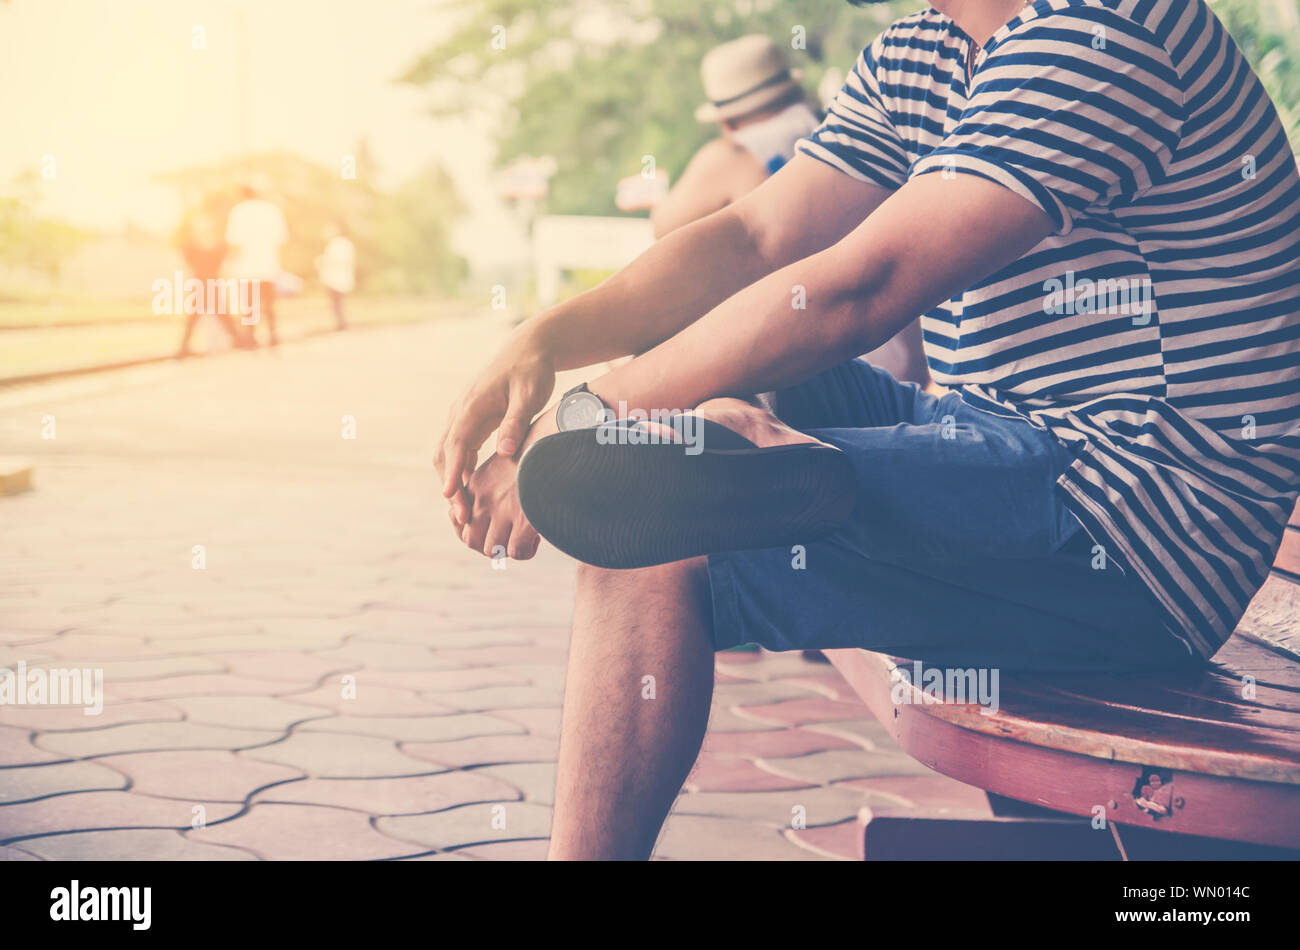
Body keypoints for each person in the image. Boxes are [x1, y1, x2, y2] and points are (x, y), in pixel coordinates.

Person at [435, 0, 1300, 860]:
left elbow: (860, 287)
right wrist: (544, 342)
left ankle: (741, 445)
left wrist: (585, 417)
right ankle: (741, 436)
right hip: (985, 436)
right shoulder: (925, 51)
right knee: (682, 364)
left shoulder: (1101, 32)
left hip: (1133, 522)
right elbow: (754, 236)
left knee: (654, 535)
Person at [642, 33, 926, 385]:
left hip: (810, 367)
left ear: (727, 120)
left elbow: (663, 228)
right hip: (898, 358)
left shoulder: (732, 155)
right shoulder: (863, 135)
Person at [225, 174, 289, 346]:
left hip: (246, 267)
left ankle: (251, 340)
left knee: (250, 306)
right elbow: (281, 240)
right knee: (269, 305)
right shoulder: (272, 210)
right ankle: (273, 337)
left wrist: (228, 264)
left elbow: (235, 243)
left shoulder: (238, 211)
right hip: (269, 266)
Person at [174, 208, 246, 357]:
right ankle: (184, 348)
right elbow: (187, 261)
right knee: (202, 317)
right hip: (201, 284)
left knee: (217, 316)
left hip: (210, 283)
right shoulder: (191, 247)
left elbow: (225, 258)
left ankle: (184, 348)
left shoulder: (217, 246)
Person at [316, 222, 355, 331]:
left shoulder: (340, 244)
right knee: (336, 304)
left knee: (338, 303)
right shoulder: (337, 244)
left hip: (337, 279)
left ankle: (342, 325)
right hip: (334, 279)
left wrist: (322, 261)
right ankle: (341, 324)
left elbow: (339, 260)